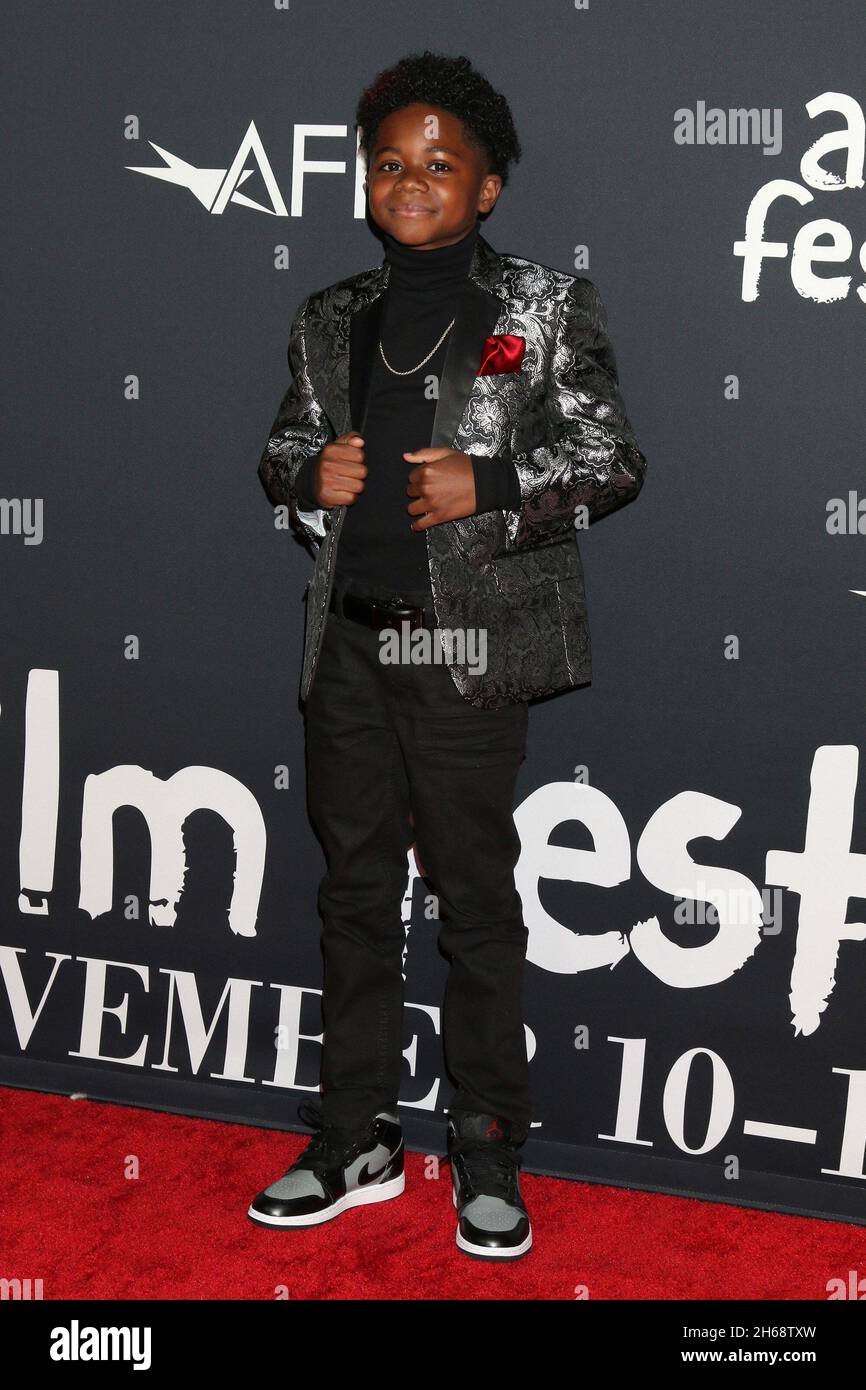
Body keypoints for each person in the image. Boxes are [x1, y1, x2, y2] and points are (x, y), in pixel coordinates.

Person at [249, 50, 647, 1261]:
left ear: (485, 186)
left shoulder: (541, 307)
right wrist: (301, 477)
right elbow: (281, 452)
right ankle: (355, 1134)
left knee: (475, 903)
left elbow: (614, 460)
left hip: (466, 644)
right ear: (364, 181)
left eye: (439, 163)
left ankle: (483, 1146)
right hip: (352, 642)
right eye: (388, 162)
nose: (410, 180)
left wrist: (497, 478)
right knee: (355, 894)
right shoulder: (327, 314)